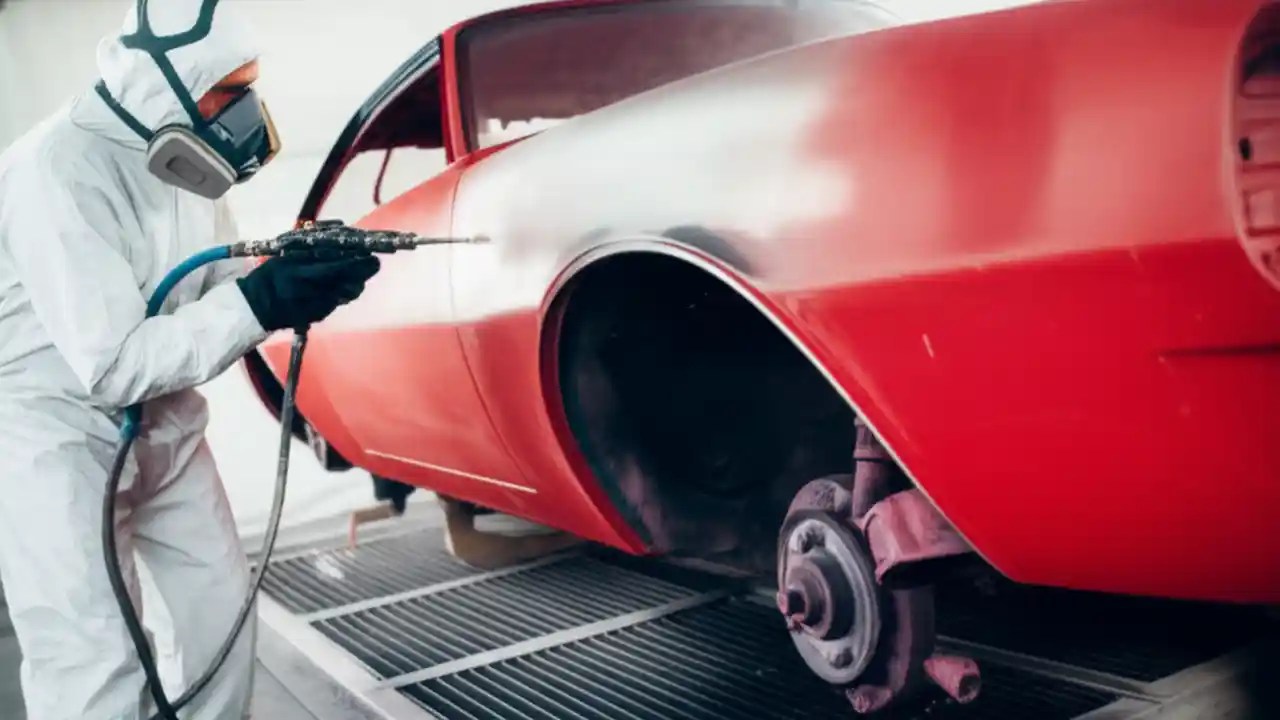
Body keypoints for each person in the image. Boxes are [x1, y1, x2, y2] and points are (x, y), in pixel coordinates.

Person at [0, 1, 379, 718]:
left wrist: (294, 269)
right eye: (231, 91)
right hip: (57, 445)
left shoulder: (184, 161)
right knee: (96, 663)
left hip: (166, 427)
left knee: (222, 625)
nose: (245, 110)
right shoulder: (54, 170)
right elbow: (114, 365)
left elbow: (215, 281)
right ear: (169, 82)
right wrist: (263, 300)